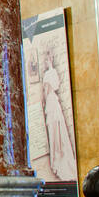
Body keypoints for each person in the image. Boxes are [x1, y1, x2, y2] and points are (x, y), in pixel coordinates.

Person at [40, 47, 77, 181]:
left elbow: (47, 90)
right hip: (52, 103)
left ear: (50, 60)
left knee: (55, 130)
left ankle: (59, 157)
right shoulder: (51, 73)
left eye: (47, 59)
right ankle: (58, 157)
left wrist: (44, 101)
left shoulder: (50, 74)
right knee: (55, 130)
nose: (46, 61)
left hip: (52, 103)